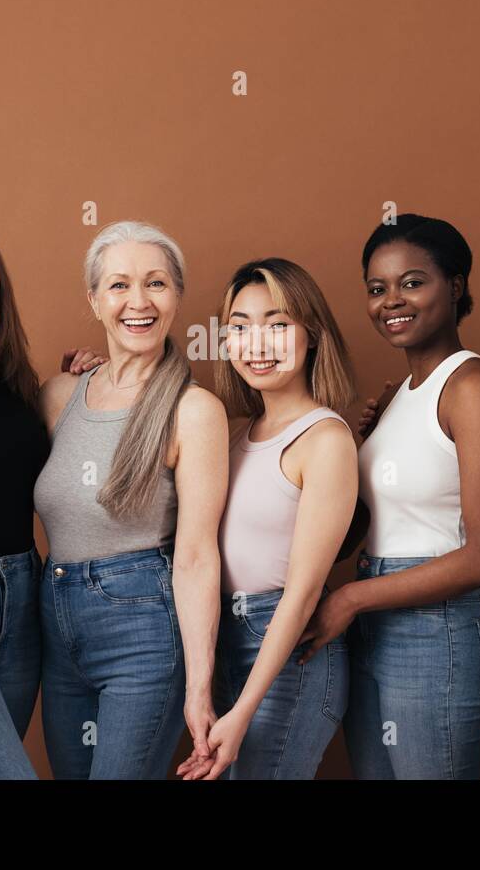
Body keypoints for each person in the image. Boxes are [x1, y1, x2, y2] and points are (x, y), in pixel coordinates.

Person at [302, 214, 480, 779]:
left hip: (436, 630)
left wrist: (350, 600)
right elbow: (362, 520)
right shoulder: (399, 394)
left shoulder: (471, 389)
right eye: (377, 289)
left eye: (412, 282)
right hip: (375, 620)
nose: (391, 300)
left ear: (456, 285)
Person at [33, 220, 229, 778]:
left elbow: (195, 556)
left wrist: (199, 686)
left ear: (177, 296)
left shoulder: (194, 410)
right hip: (55, 617)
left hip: (142, 627)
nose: (137, 302)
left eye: (156, 284)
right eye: (118, 285)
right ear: (94, 300)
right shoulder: (59, 395)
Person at [177, 258, 357, 779]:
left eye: (277, 324)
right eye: (239, 327)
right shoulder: (230, 431)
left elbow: (303, 591)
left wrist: (244, 710)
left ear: (313, 335)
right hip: (221, 637)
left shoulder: (326, 439)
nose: (257, 344)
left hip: (284, 651)